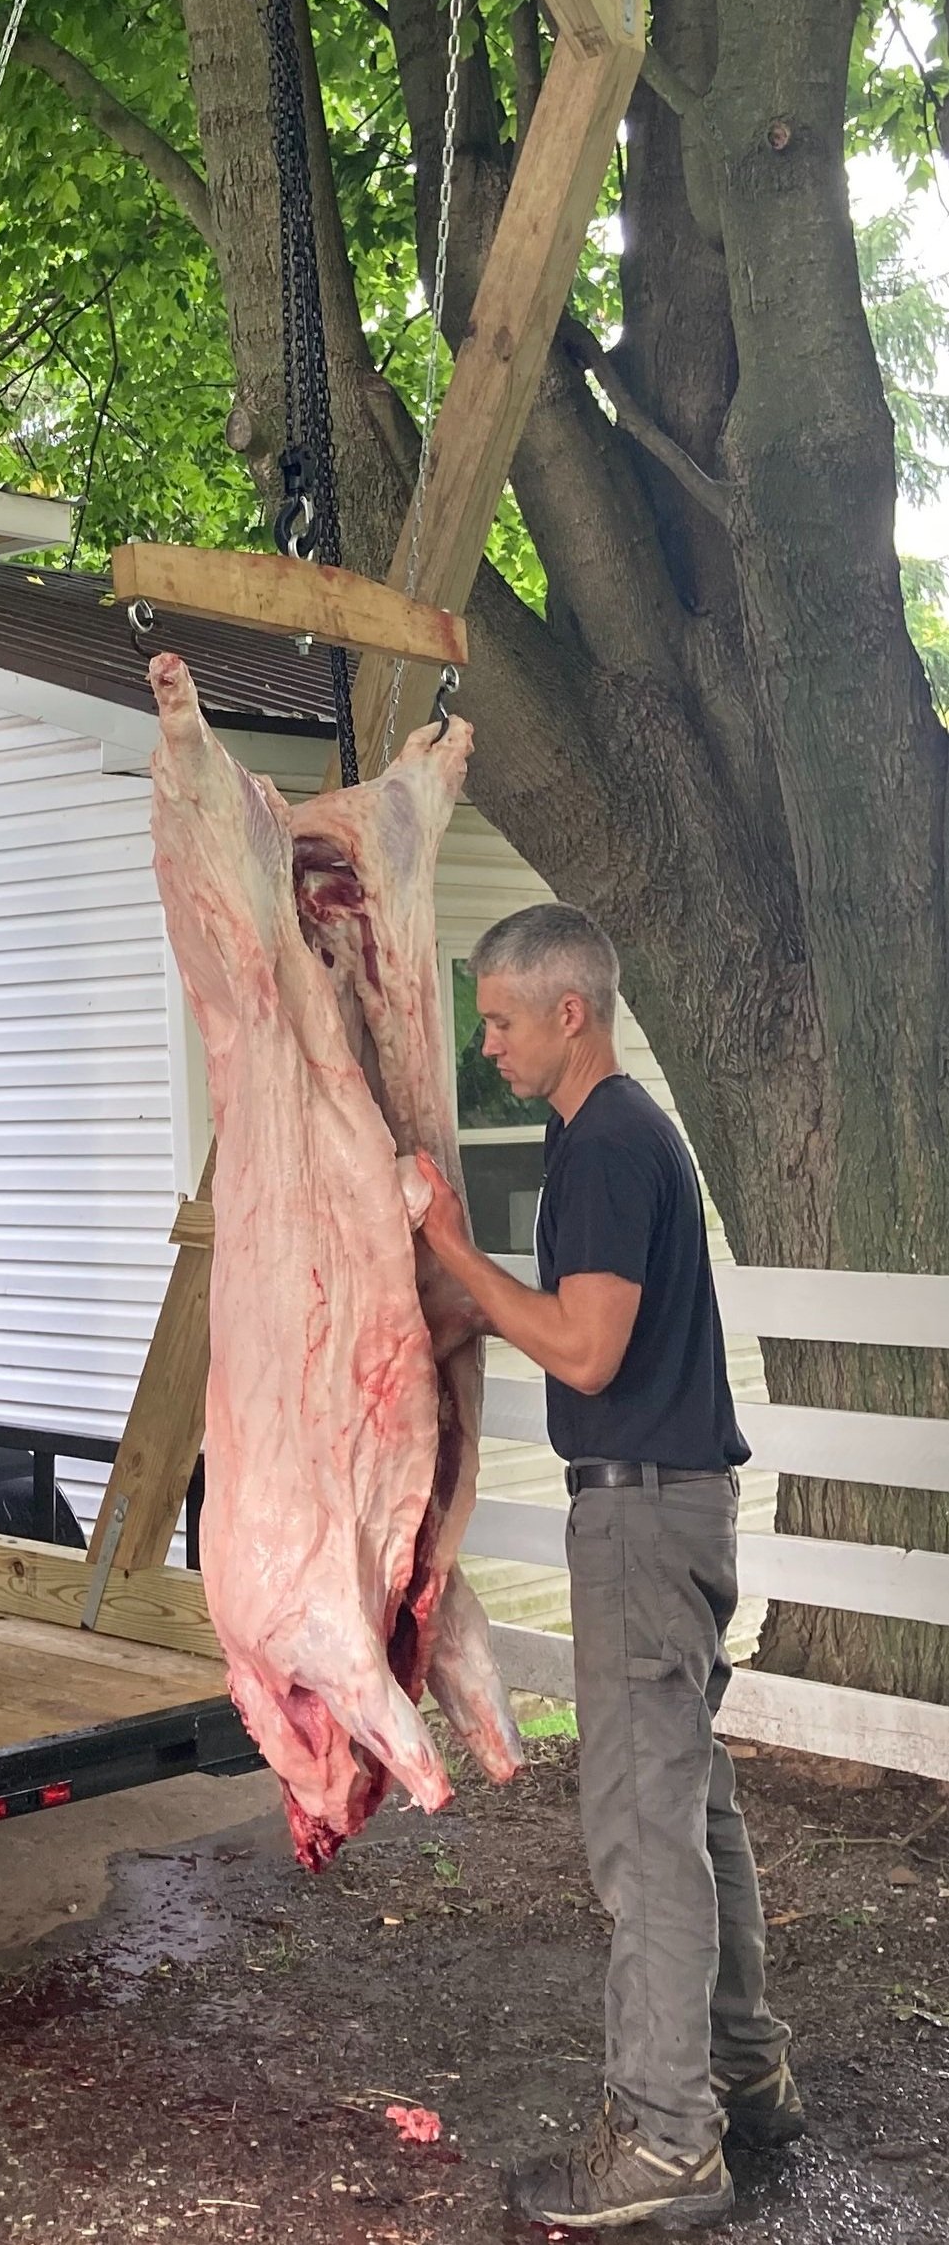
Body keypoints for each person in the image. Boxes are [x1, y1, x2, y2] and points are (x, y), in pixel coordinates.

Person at [412, 901, 800, 2234]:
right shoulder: (602, 1139)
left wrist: (450, 1256)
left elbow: (584, 1352)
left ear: (566, 1011)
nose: (489, 1044)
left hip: (640, 1517)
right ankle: (743, 2075)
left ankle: (663, 2140)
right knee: (692, 1813)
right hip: (668, 1507)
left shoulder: (613, 1149)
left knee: (643, 1835)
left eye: (501, 1020)